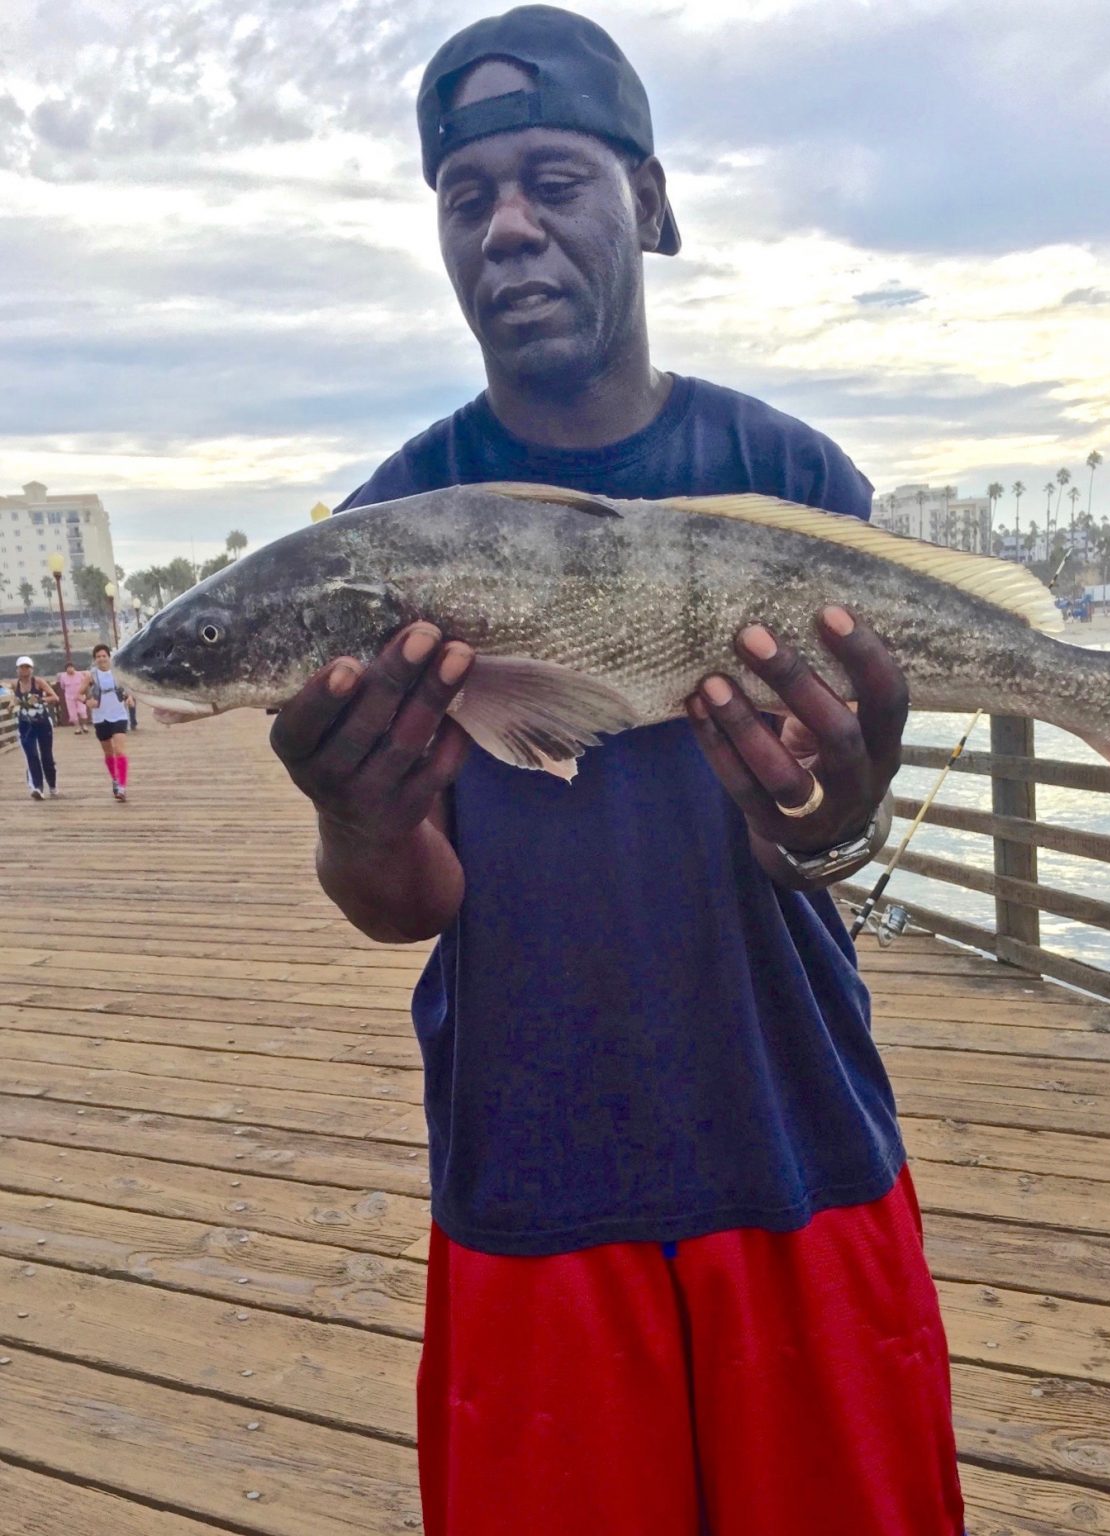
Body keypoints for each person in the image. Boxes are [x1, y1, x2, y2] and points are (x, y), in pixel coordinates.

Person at [270, 9, 964, 1534]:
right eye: (466, 197)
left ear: (647, 203)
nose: (508, 227)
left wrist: (828, 813)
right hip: (531, 1171)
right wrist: (354, 821)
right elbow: (407, 901)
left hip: (796, 1141)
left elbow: (813, 848)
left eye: (553, 180)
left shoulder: (791, 481)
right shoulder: (388, 527)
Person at [84, 643, 133, 801]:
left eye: (104, 656)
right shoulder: (91, 676)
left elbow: (129, 688)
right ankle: (115, 778)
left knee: (119, 750)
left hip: (119, 714)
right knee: (108, 752)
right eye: (98, 657)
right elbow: (77, 694)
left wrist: (130, 697)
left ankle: (122, 787)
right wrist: (87, 702)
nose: (101, 659)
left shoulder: (118, 673)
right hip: (100, 717)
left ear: (109, 657)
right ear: (95, 659)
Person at [9, 656, 61, 800]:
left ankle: (52, 785)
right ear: (17, 669)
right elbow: (16, 698)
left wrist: (40, 699)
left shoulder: (38, 682)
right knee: (31, 755)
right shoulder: (15, 684)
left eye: (27, 667)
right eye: (21, 667)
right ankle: (37, 787)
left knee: (46, 756)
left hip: (42, 723)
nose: (24, 670)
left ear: (31, 669)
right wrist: (13, 704)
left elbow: (55, 697)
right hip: (25, 725)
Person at [57, 660, 90, 733]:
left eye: (71, 667)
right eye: (68, 668)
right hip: (69, 697)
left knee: (82, 711)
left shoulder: (79, 674)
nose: (70, 669)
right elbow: (62, 686)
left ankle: (84, 725)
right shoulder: (63, 676)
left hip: (80, 696)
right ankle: (77, 728)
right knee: (73, 714)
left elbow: (85, 683)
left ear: (74, 668)